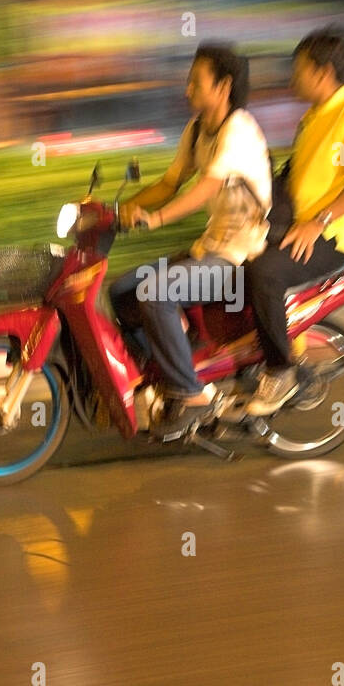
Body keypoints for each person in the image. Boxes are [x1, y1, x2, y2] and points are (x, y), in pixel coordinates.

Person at [108, 42, 272, 439]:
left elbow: (205, 188)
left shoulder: (239, 129)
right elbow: (169, 182)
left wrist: (157, 219)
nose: (187, 90)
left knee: (156, 293)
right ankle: (159, 375)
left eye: (195, 82)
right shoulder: (198, 128)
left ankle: (193, 394)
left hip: (238, 259)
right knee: (121, 291)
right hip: (209, 248)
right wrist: (118, 211)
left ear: (223, 86)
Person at [244, 24, 344, 416]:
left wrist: (319, 222)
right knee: (229, 263)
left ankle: (282, 370)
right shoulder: (312, 118)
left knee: (264, 274)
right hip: (298, 231)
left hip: (328, 238)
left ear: (322, 71)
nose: (292, 77)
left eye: (298, 69)